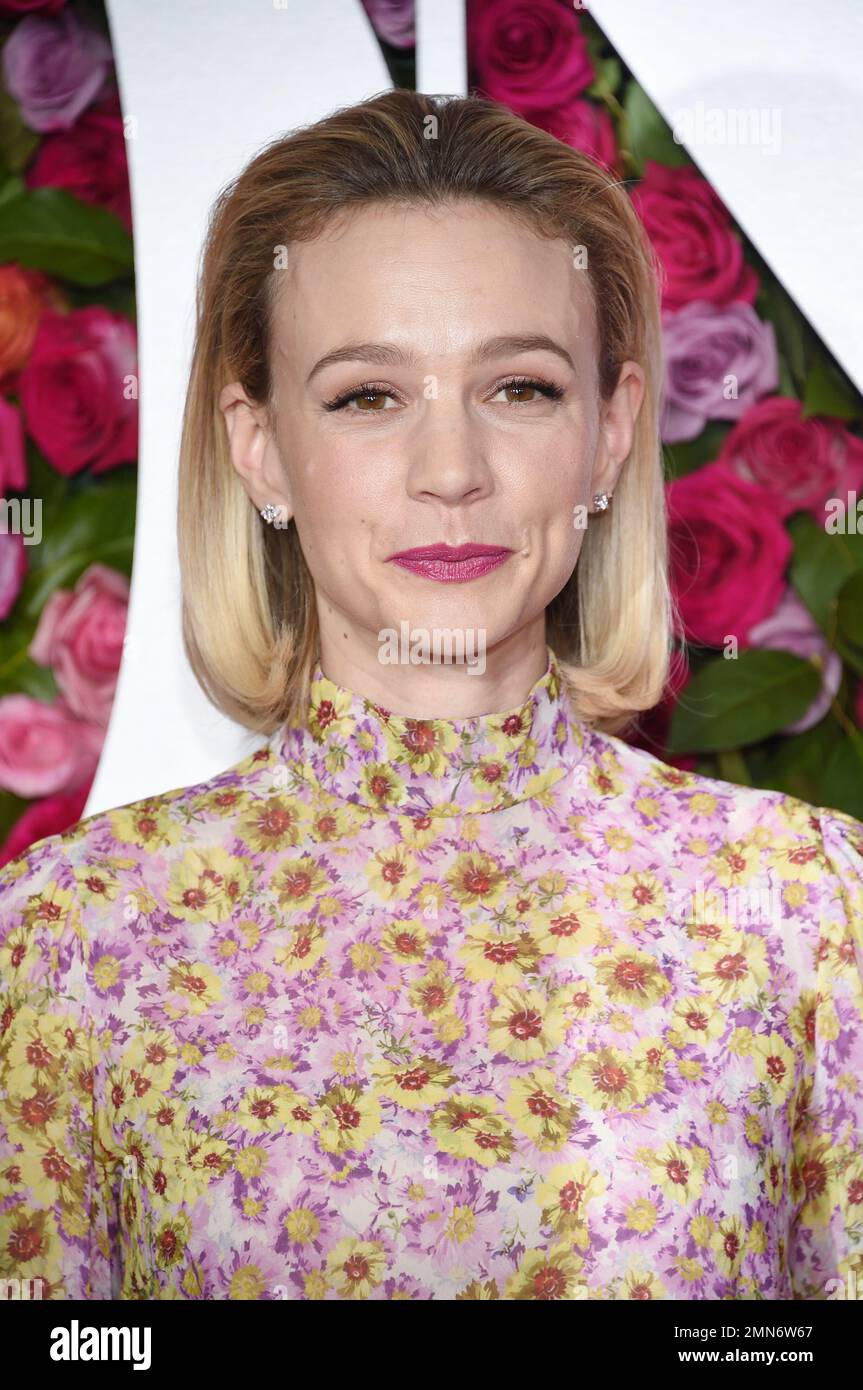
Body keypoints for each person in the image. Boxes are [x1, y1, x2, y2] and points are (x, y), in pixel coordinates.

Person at [1, 89, 861, 1303]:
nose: (449, 471)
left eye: (518, 388)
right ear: (257, 444)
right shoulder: (68, 937)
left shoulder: (808, 911)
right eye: (367, 395)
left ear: (611, 431)